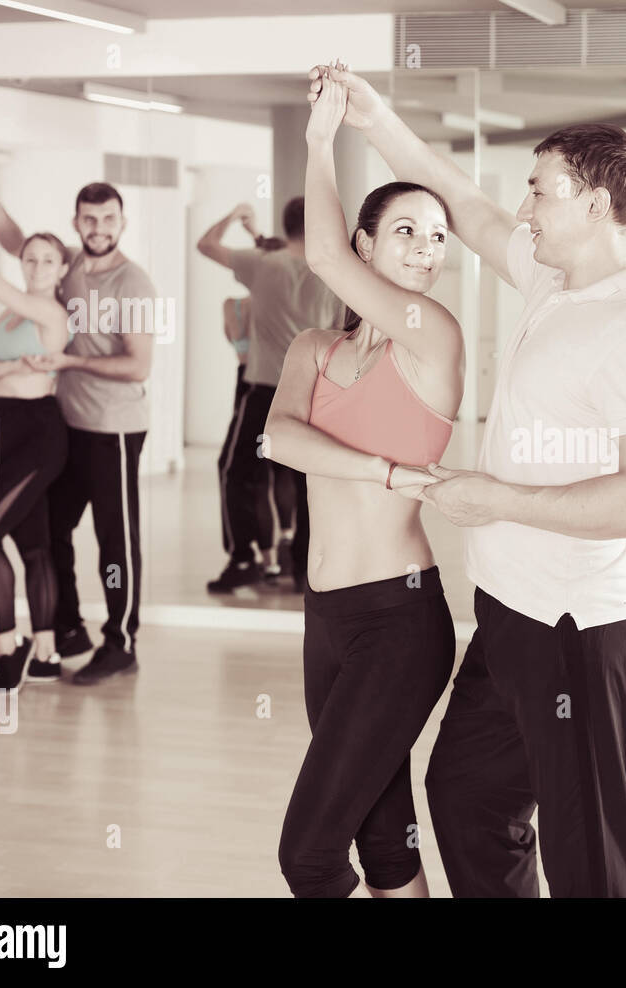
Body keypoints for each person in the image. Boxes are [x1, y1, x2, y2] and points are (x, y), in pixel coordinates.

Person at [308, 63, 626, 897]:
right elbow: (470, 205)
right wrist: (376, 121)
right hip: (511, 615)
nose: (525, 208)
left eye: (541, 191)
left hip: (577, 629)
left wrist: (498, 500)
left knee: (589, 855)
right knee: (467, 794)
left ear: (597, 206)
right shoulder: (552, 281)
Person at [270, 64, 463, 898]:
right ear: (366, 245)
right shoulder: (313, 350)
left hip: (400, 619)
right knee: (385, 839)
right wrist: (383, 469)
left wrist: (322, 138)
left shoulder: (434, 336)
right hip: (328, 619)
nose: (427, 249)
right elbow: (278, 439)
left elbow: (316, 249)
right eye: (407, 232)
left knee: (308, 855)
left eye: (438, 237)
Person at [0, 182, 157, 685]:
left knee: (114, 541)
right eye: (89, 220)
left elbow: (138, 365)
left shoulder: (135, 283)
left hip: (114, 428)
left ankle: (121, 642)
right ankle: (69, 628)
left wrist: (69, 361)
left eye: (108, 220)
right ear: (76, 222)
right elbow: (22, 244)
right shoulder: (72, 262)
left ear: (122, 223)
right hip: (67, 427)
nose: (98, 229)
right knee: (48, 529)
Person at [197, 199, 345, 594]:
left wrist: (234, 215)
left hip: (264, 390)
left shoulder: (263, 265)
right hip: (314, 392)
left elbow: (206, 245)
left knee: (236, 472)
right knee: (306, 482)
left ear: (285, 224)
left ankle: (244, 557)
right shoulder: (334, 275)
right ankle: (305, 568)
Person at [0, 191, 70, 688]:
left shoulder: (51, 315)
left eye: (48, 259)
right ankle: (46, 655)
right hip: (7, 433)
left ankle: (7, 647)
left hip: (40, 434)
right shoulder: (10, 318)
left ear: (62, 269)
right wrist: (8, 366)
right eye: (30, 257)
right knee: (34, 546)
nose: (37, 265)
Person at [215, 233, 293, 583]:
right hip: (273, 383)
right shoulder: (282, 304)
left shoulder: (233, 306)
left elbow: (238, 345)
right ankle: (286, 545)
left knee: (250, 475)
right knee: (281, 473)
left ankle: (259, 557)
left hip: (251, 384)